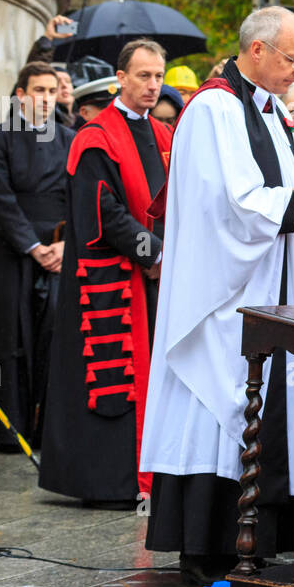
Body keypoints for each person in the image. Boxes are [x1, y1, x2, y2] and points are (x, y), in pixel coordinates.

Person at [141, 9, 294, 585]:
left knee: (264, 400)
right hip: (220, 293)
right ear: (256, 50)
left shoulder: (273, 112)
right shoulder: (214, 108)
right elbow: (219, 201)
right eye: (292, 58)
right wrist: (289, 202)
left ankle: (259, 532)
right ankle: (203, 544)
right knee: (216, 404)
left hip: (265, 283)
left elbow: (277, 188)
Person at [39, 40, 174, 508]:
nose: (152, 85)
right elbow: (104, 212)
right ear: (120, 77)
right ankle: (110, 482)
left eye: (158, 76)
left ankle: (153, 474)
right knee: (114, 377)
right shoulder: (95, 137)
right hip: (109, 279)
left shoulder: (163, 134)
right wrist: (154, 253)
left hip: (155, 276)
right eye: (143, 76)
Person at [0, 62, 73, 452]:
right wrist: (33, 246)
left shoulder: (71, 139)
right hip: (12, 252)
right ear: (20, 95)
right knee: (7, 339)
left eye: (51, 91)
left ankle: (48, 431)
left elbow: (80, 198)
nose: (46, 98)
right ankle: (4, 430)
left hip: (60, 251)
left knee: (54, 339)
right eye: (38, 90)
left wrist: (64, 244)